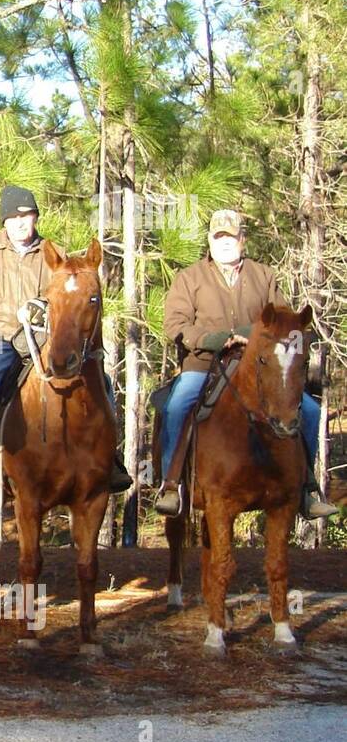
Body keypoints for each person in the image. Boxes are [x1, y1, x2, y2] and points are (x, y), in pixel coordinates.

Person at [0, 184, 133, 500]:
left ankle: (109, 456)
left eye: (27, 216)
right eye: (14, 217)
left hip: (45, 340)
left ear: (35, 218)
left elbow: (68, 294)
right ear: (3, 221)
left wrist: (44, 308)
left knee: (101, 380)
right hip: (0, 339)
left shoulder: (51, 254)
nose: (20, 223)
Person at [156, 208, 334, 520]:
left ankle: (306, 487)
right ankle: (171, 485)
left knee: (310, 410)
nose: (225, 242)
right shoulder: (189, 279)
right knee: (177, 405)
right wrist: (214, 339)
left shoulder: (264, 276)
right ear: (210, 241)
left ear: (242, 240)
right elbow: (175, 324)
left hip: (258, 366)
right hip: (204, 365)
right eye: (219, 237)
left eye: (232, 236)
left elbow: (283, 322)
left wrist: (246, 336)